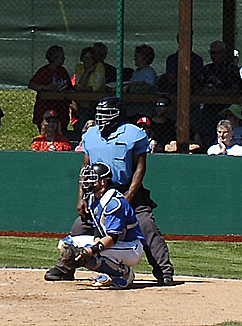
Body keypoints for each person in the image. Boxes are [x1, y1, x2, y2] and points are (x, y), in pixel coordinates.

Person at [74, 97, 175, 285]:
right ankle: (65, 266)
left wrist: (129, 196)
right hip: (98, 192)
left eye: (106, 114)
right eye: (100, 114)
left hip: (127, 189)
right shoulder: (90, 135)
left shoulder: (134, 134)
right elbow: (85, 169)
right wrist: (81, 198)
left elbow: (140, 167)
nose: (101, 118)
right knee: (81, 225)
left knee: (146, 225)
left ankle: (164, 271)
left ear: (118, 115)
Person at [47, 162, 145, 288]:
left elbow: (112, 238)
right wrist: (95, 241)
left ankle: (123, 274)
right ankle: (109, 274)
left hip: (131, 247)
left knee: (90, 254)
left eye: (92, 179)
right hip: (116, 245)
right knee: (70, 244)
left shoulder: (114, 203)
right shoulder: (94, 199)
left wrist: (90, 250)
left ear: (103, 182)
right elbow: (99, 230)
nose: (87, 182)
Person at [29, 45, 71, 127]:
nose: (64, 59)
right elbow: (32, 84)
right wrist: (47, 88)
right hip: (46, 106)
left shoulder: (62, 71)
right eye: (61, 57)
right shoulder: (44, 71)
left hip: (61, 108)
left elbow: (69, 87)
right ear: (54, 58)